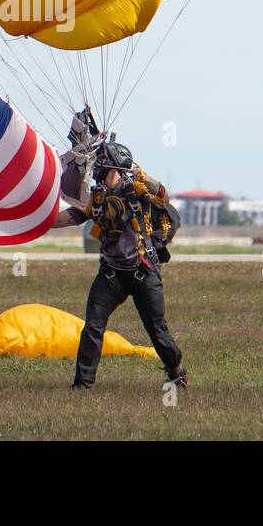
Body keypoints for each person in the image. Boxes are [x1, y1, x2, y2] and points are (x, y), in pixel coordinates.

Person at [50, 137, 187, 390]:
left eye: (100, 163)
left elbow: (163, 195)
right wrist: (37, 219)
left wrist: (141, 174)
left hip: (143, 272)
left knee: (156, 328)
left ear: (112, 165)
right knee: (93, 325)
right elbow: (67, 218)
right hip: (111, 275)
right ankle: (83, 383)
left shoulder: (136, 189)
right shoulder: (97, 198)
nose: (95, 169)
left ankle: (175, 370)